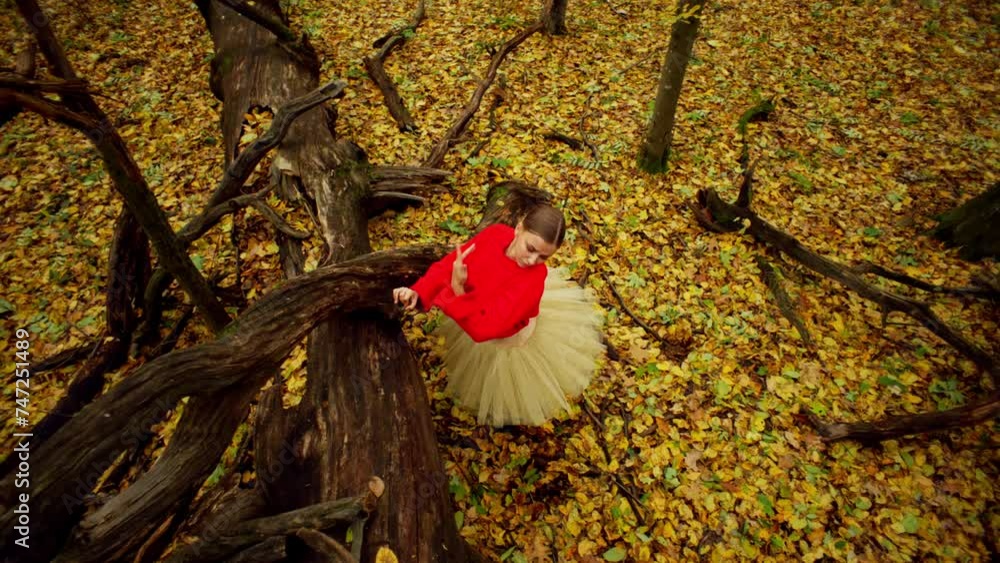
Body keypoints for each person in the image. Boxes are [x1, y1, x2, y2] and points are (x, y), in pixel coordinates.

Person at [393, 204, 604, 426]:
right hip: (476, 308)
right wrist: (419, 291)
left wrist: (457, 290)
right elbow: (453, 264)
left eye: (543, 257)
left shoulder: (532, 280)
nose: (532, 260)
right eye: (530, 248)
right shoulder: (495, 234)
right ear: (518, 229)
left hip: (503, 334)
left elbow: (483, 330)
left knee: (506, 385)